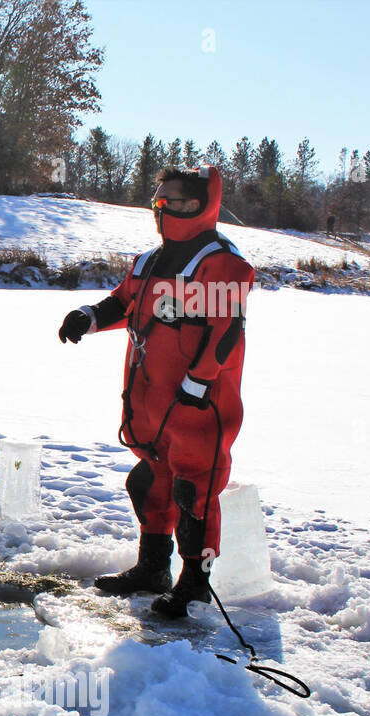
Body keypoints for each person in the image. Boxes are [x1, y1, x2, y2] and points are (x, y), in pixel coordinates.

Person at [58, 165, 255, 617]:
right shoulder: (151, 260)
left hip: (198, 406)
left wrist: (198, 384)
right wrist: (88, 317)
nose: (160, 209)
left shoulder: (219, 262)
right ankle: (152, 568)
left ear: (199, 204)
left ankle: (194, 583)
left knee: (194, 494)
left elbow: (224, 331)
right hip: (151, 399)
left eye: (170, 201)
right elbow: (124, 303)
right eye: (157, 201)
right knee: (148, 482)